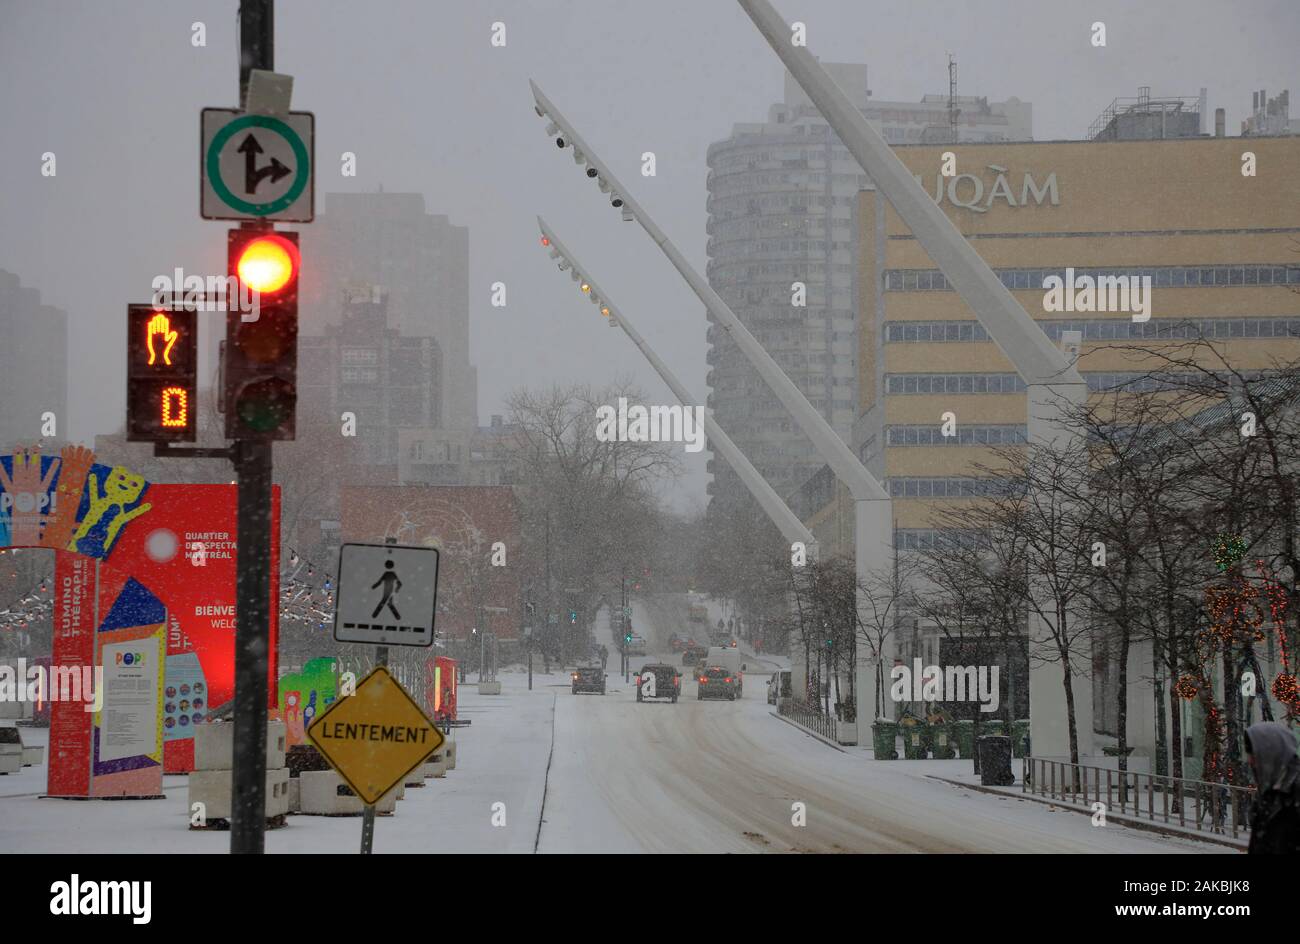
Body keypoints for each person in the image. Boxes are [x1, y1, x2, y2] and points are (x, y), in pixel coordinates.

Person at [1244, 721, 1300, 854]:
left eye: (1254, 754)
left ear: (1271, 753)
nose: (1250, 761)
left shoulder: (1294, 794)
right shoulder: (1269, 793)